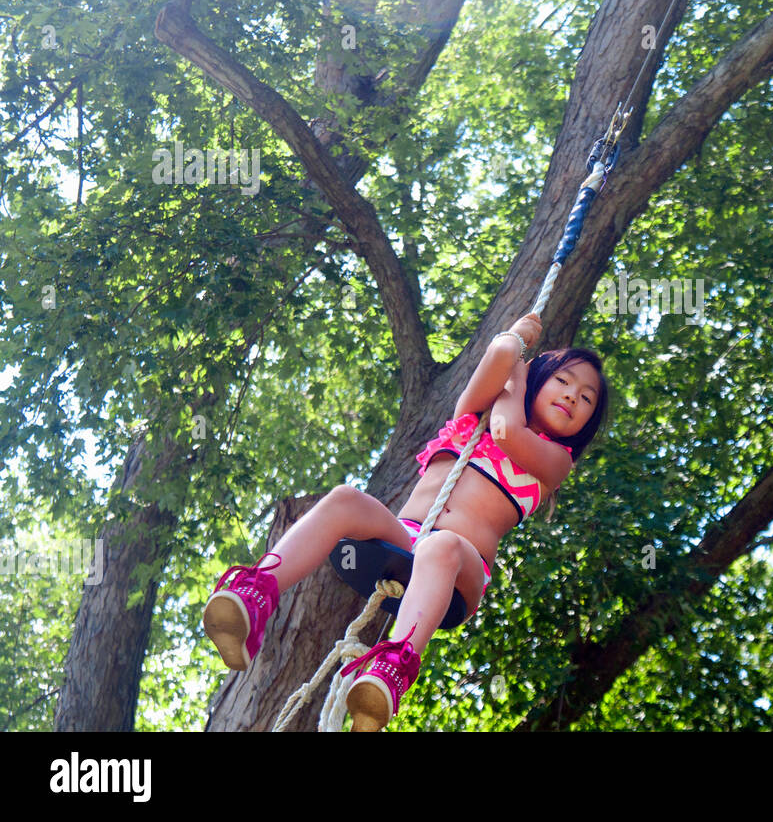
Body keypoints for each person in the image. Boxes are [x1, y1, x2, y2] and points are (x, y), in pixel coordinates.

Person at [201, 312, 610, 730]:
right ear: (540, 376)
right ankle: (256, 593)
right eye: (563, 380)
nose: (572, 395)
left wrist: (517, 381)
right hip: (407, 538)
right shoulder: (472, 419)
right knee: (345, 498)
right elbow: (500, 353)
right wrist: (517, 341)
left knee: (441, 545)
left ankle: (391, 669)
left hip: (460, 569)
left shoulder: (554, 462)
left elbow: (506, 430)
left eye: (587, 397)